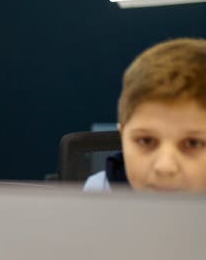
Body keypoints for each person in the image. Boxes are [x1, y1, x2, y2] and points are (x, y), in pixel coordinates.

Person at [84, 38, 206, 192]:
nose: (164, 167)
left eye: (193, 143)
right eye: (146, 140)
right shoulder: (98, 193)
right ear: (122, 137)